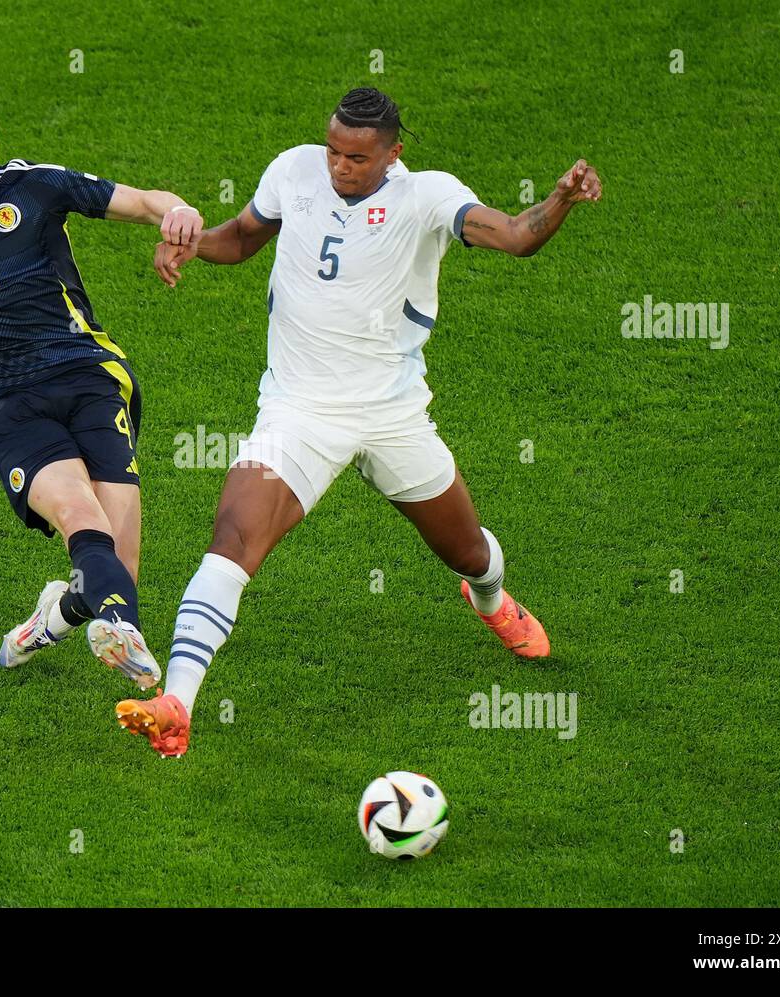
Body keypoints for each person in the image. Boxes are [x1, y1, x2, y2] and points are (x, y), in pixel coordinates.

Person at [117, 87, 602, 757]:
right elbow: (241, 238)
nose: (340, 167)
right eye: (334, 150)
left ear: (392, 153)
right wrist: (193, 246)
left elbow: (517, 237)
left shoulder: (427, 197)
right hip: (298, 410)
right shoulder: (294, 171)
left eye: (357, 158)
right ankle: (178, 703)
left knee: (466, 551)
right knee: (232, 536)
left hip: (391, 413)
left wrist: (560, 201)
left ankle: (491, 599)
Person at [0, 95, 203, 688]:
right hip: (10, 401)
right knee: (83, 520)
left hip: (90, 376)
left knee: (116, 563)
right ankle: (122, 636)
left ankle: (59, 616)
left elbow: (141, 202)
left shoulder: (37, 187)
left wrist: (177, 211)